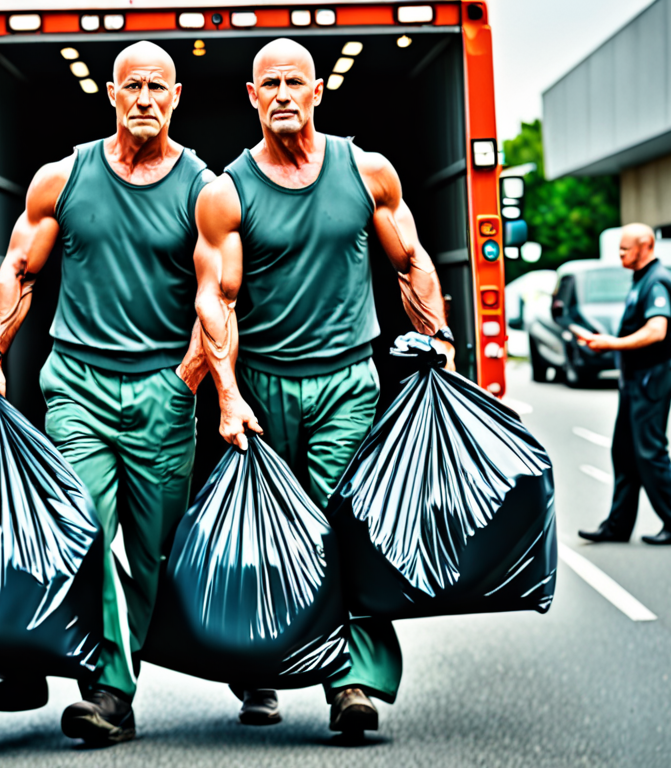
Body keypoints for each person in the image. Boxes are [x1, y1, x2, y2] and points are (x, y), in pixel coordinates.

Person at [193, 38, 456, 736]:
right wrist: (227, 396)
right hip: (264, 384)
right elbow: (216, 299)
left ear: (317, 92)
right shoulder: (228, 192)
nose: (282, 93)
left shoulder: (365, 171)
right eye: (268, 83)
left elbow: (412, 262)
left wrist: (444, 347)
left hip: (346, 380)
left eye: (294, 81)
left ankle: (352, 683)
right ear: (251, 97)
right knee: (268, 536)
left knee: (345, 528)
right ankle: (262, 671)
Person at [0, 41, 214, 746]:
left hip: (162, 394)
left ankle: (114, 663)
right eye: (131, 85)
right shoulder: (63, 178)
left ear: (175, 97)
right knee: (87, 531)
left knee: (155, 550)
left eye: (156, 87)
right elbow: (18, 267)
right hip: (77, 384)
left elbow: (217, 299)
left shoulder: (202, 189)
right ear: (111, 92)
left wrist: (186, 383)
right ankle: (110, 694)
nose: (143, 98)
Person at [577, 223, 671, 546]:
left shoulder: (657, 283)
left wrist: (611, 344)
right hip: (637, 379)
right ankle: (617, 527)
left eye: (625, 249)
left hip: (651, 377)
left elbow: (657, 330)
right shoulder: (641, 279)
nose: (620, 255)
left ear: (646, 246)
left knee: (650, 452)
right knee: (625, 452)